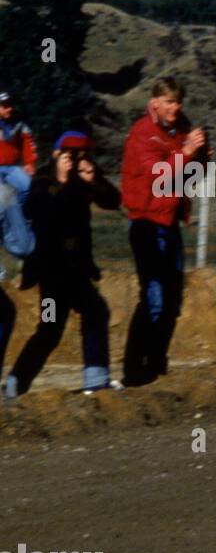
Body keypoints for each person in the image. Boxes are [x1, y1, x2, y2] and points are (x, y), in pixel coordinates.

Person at [4, 133, 121, 397]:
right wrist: (66, 181)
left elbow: (113, 200)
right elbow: (42, 210)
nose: (73, 160)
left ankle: (96, 377)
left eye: (78, 155)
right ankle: (15, 384)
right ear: (56, 153)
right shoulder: (43, 181)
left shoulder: (82, 180)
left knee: (96, 311)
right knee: (49, 328)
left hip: (77, 273)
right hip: (51, 275)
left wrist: (94, 180)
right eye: (68, 154)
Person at [121, 77, 203, 387]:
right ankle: (133, 368)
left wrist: (200, 156)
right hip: (146, 222)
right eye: (169, 102)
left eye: (178, 102)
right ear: (155, 102)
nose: (175, 108)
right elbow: (159, 173)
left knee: (171, 300)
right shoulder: (143, 134)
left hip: (169, 221)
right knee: (153, 297)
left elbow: (190, 175)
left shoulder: (179, 130)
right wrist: (186, 152)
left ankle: (156, 361)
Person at [0, 179, 35, 387]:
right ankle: (15, 381)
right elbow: (22, 246)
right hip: (52, 277)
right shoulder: (5, 192)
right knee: (50, 323)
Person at [0, 91, 36, 207]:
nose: (9, 109)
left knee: (28, 186)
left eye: (10, 105)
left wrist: (29, 163)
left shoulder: (19, 122)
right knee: (2, 197)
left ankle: (17, 215)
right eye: (5, 106)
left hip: (12, 166)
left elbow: (28, 142)